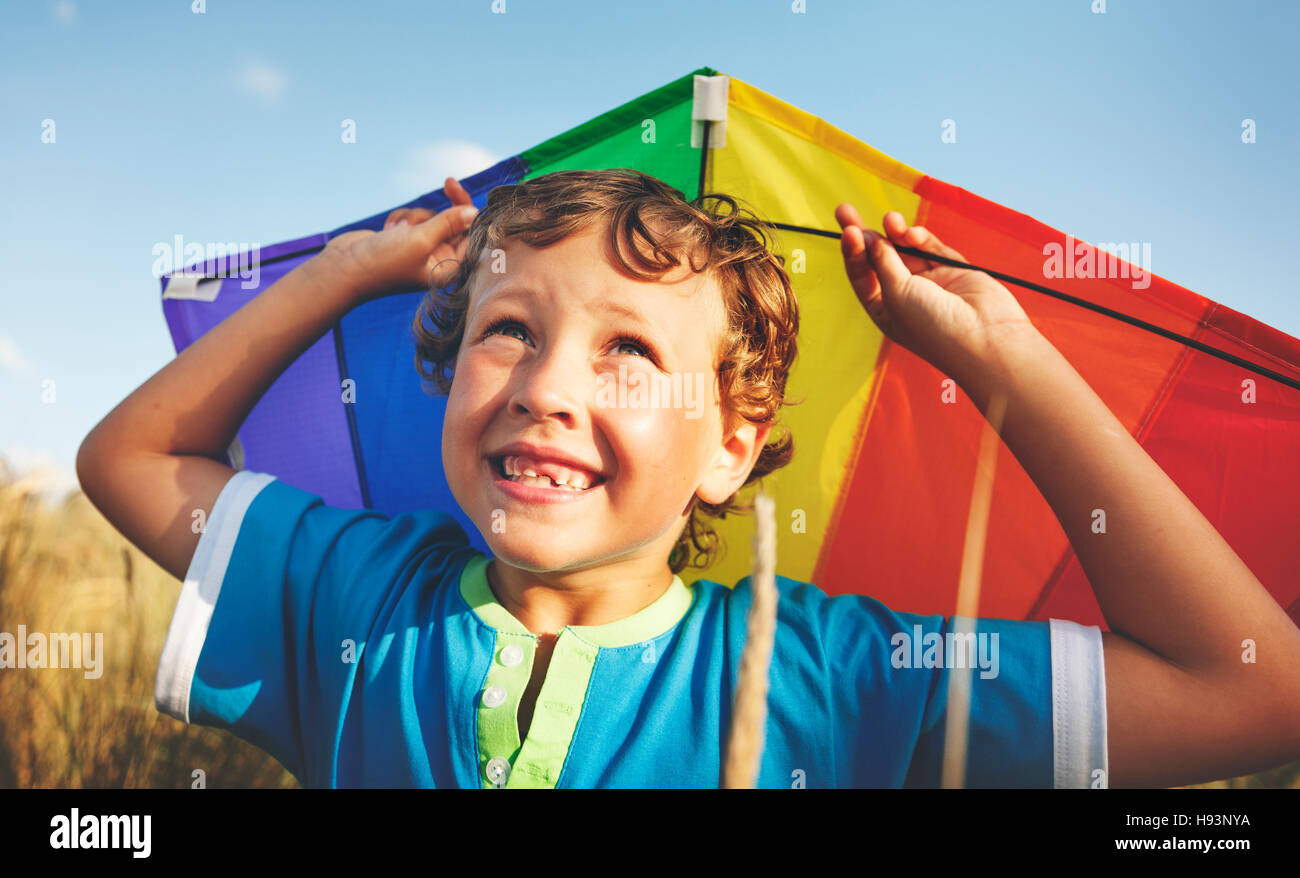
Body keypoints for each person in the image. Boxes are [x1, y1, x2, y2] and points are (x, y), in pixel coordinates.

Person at [76, 169, 1300, 788]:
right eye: (507, 327)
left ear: (729, 446)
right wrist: (341, 273)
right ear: (445, 372)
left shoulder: (836, 677)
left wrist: (1004, 363)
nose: (546, 386)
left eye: (629, 349)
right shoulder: (351, 595)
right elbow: (128, 460)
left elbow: (1248, 689)